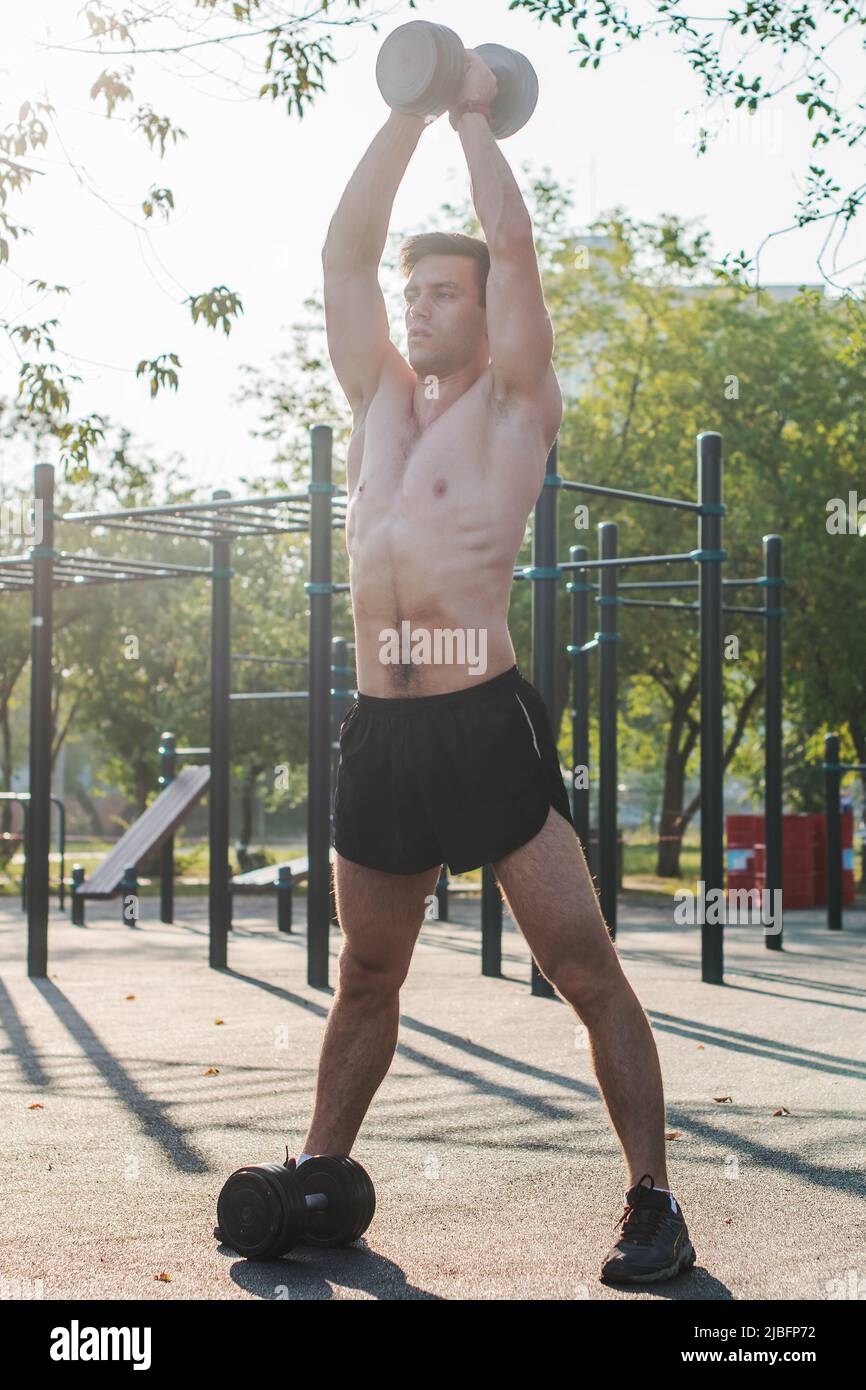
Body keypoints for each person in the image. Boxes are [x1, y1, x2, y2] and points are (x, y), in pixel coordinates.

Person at [301, 49, 696, 1285]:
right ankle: (322, 1179)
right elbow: (338, 255)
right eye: (409, 290)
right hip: (380, 728)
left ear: (483, 312)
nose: (414, 305)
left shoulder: (517, 401)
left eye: (438, 292)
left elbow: (514, 249)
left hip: (481, 721)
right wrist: (409, 110)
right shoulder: (374, 393)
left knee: (579, 965)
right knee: (366, 969)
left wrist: (473, 119)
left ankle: (651, 1200)